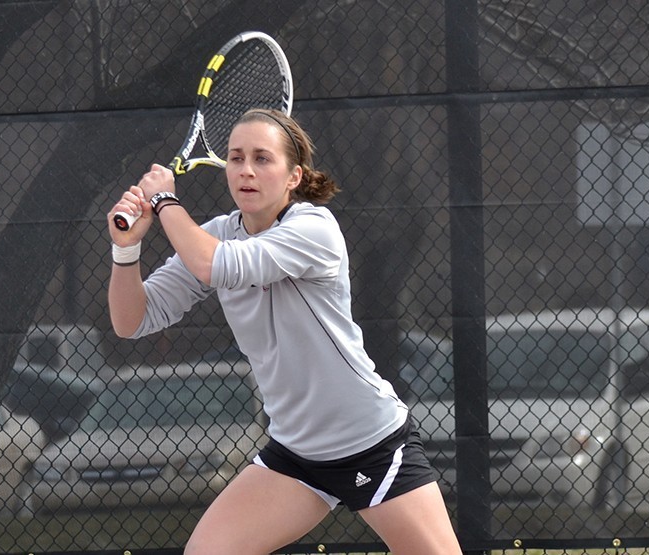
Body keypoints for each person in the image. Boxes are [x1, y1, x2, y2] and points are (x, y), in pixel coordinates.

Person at [106, 108, 462, 555]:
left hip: (371, 443)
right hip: (295, 456)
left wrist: (164, 201)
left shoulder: (314, 229)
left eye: (262, 158)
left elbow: (214, 265)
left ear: (294, 177)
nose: (246, 170)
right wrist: (126, 250)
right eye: (236, 158)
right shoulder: (216, 234)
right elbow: (133, 320)